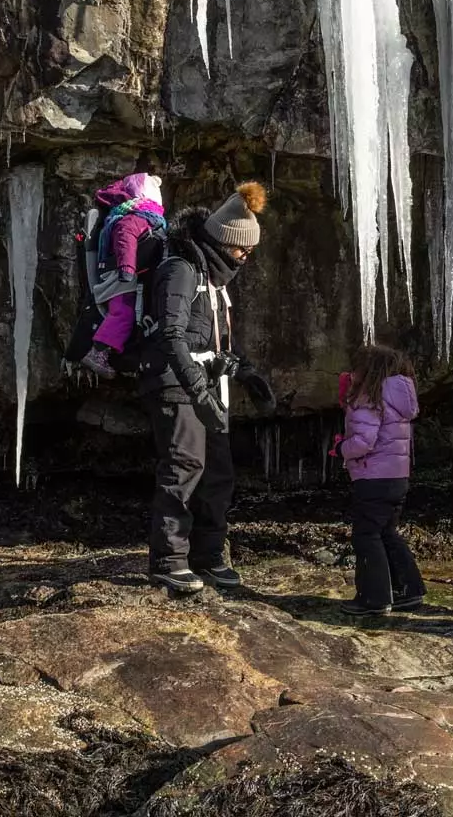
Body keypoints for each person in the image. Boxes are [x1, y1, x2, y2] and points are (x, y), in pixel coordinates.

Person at [137, 181, 277, 594]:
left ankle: (209, 555)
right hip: (172, 383)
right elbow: (171, 337)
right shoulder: (181, 269)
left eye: (250, 252)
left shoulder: (213, 277)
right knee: (184, 466)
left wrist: (245, 374)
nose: (245, 259)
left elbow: (210, 343)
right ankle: (169, 559)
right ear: (222, 241)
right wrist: (199, 391)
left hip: (204, 384)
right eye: (241, 250)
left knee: (218, 472)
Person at [335, 345, 425, 617]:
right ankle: (408, 590)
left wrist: (341, 448)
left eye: (356, 369)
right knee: (387, 533)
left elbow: (364, 442)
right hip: (398, 477)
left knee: (366, 536)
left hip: (372, 478)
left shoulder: (370, 397)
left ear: (368, 371)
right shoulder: (400, 395)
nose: (352, 374)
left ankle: (373, 599)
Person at [78, 172, 166, 377]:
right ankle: (97, 353)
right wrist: (126, 269)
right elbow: (125, 240)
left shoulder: (145, 217)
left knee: (134, 313)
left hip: (133, 275)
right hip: (120, 277)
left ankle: (125, 355)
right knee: (123, 313)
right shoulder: (133, 218)